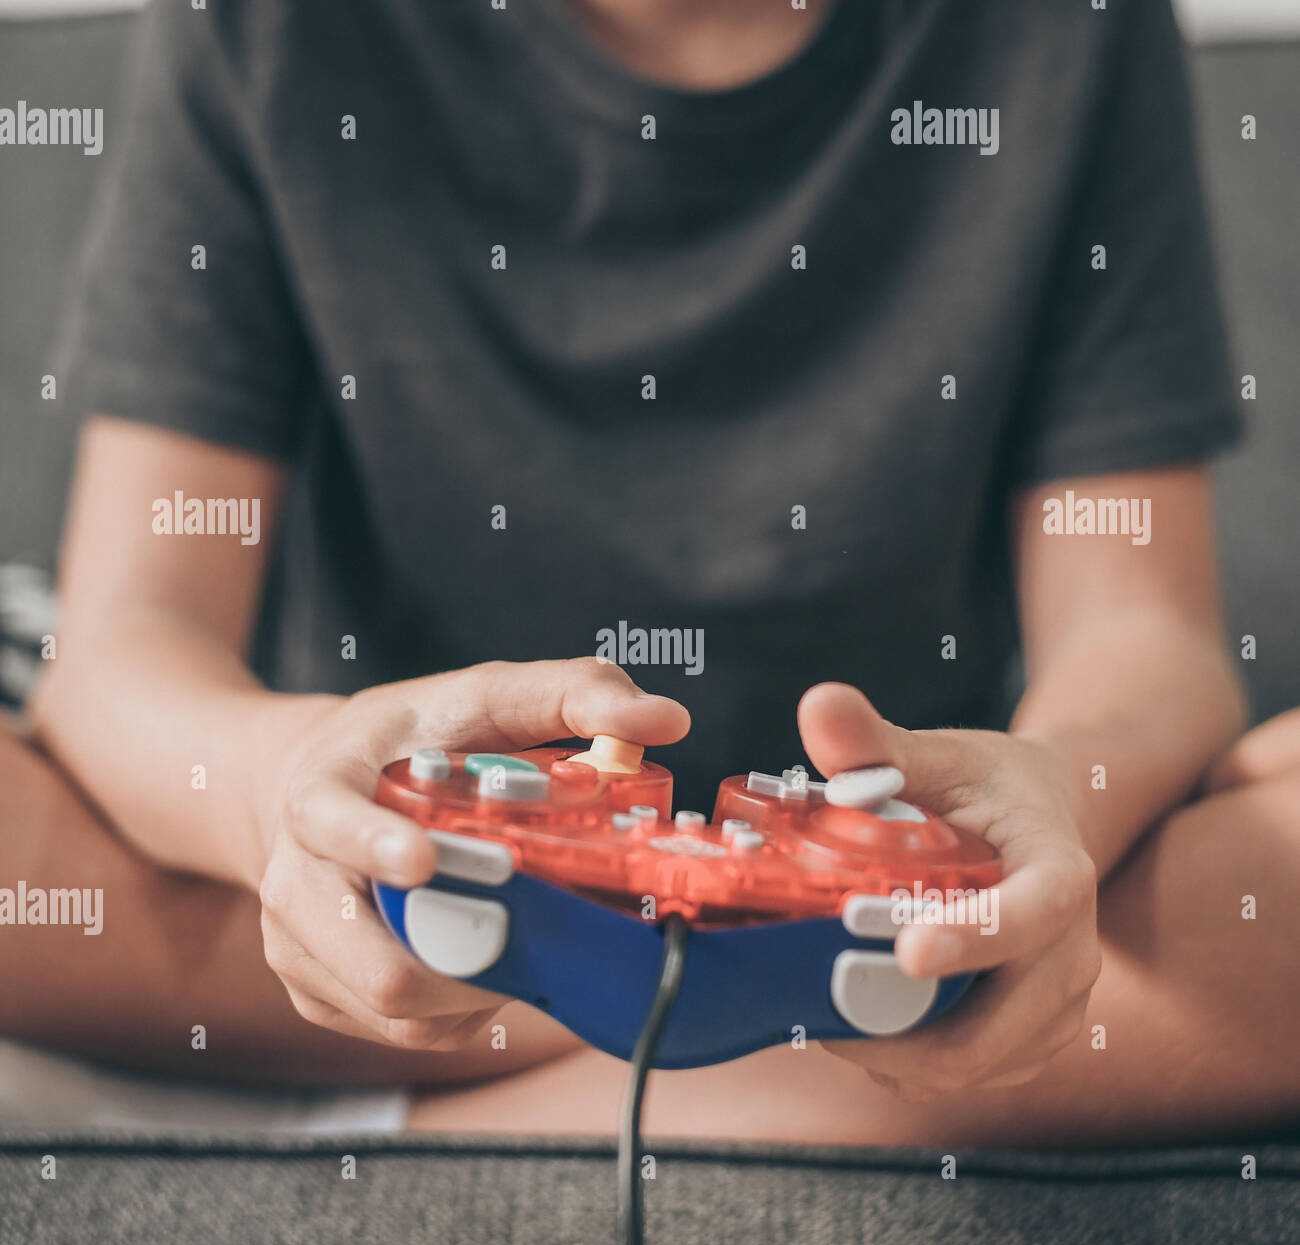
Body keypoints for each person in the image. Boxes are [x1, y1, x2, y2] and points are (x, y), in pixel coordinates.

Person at [5, 0, 1300, 1146]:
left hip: (866, 898)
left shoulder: (1065, 27)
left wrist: (1053, 795)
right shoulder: (272, 23)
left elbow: (1145, 636)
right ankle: (742, 1055)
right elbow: (125, 648)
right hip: (393, 887)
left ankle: (499, 1099)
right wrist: (285, 790)